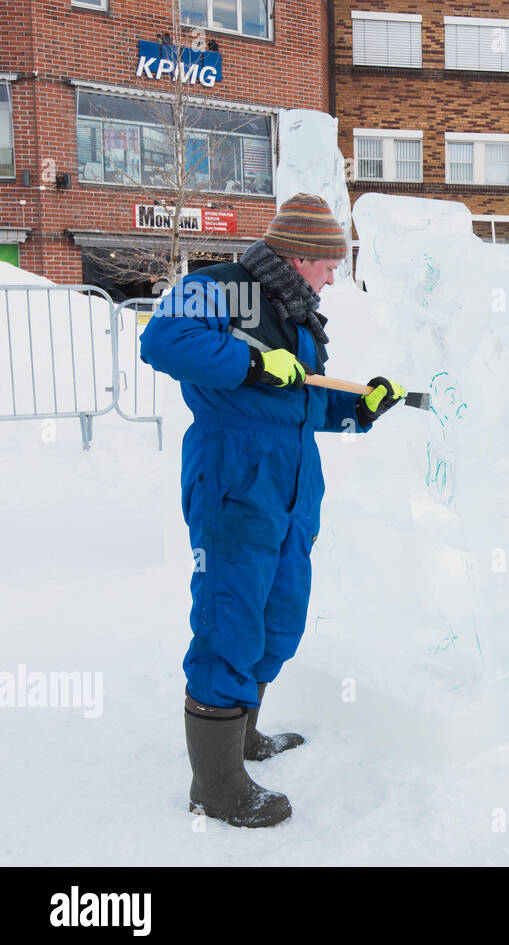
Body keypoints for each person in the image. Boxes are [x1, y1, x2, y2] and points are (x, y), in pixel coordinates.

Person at [141, 194, 408, 827]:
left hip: (290, 482)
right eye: (329, 264)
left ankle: (245, 735)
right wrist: (256, 361)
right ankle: (217, 783)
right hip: (234, 473)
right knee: (228, 618)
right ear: (300, 255)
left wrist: (361, 407)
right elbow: (164, 340)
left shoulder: (296, 312)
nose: (334, 277)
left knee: (278, 618)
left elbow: (303, 403)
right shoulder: (216, 288)